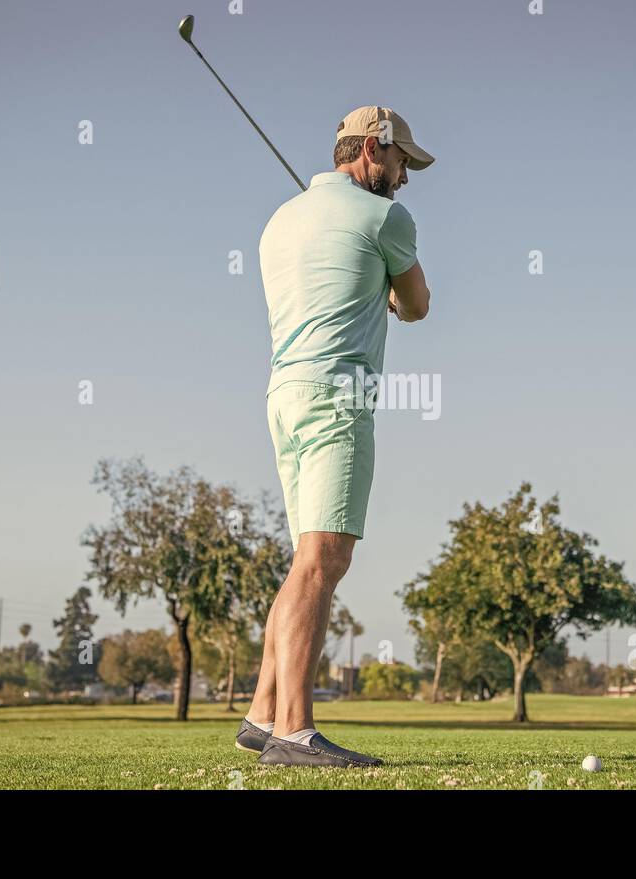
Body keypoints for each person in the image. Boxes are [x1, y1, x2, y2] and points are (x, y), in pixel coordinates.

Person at [235, 106, 434, 768]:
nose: (405, 175)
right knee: (324, 561)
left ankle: (263, 714)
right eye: (402, 160)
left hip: (282, 398)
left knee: (305, 561)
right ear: (373, 150)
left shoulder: (278, 222)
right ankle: (294, 730)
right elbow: (417, 305)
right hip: (337, 398)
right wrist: (382, 288)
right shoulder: (385, 219)